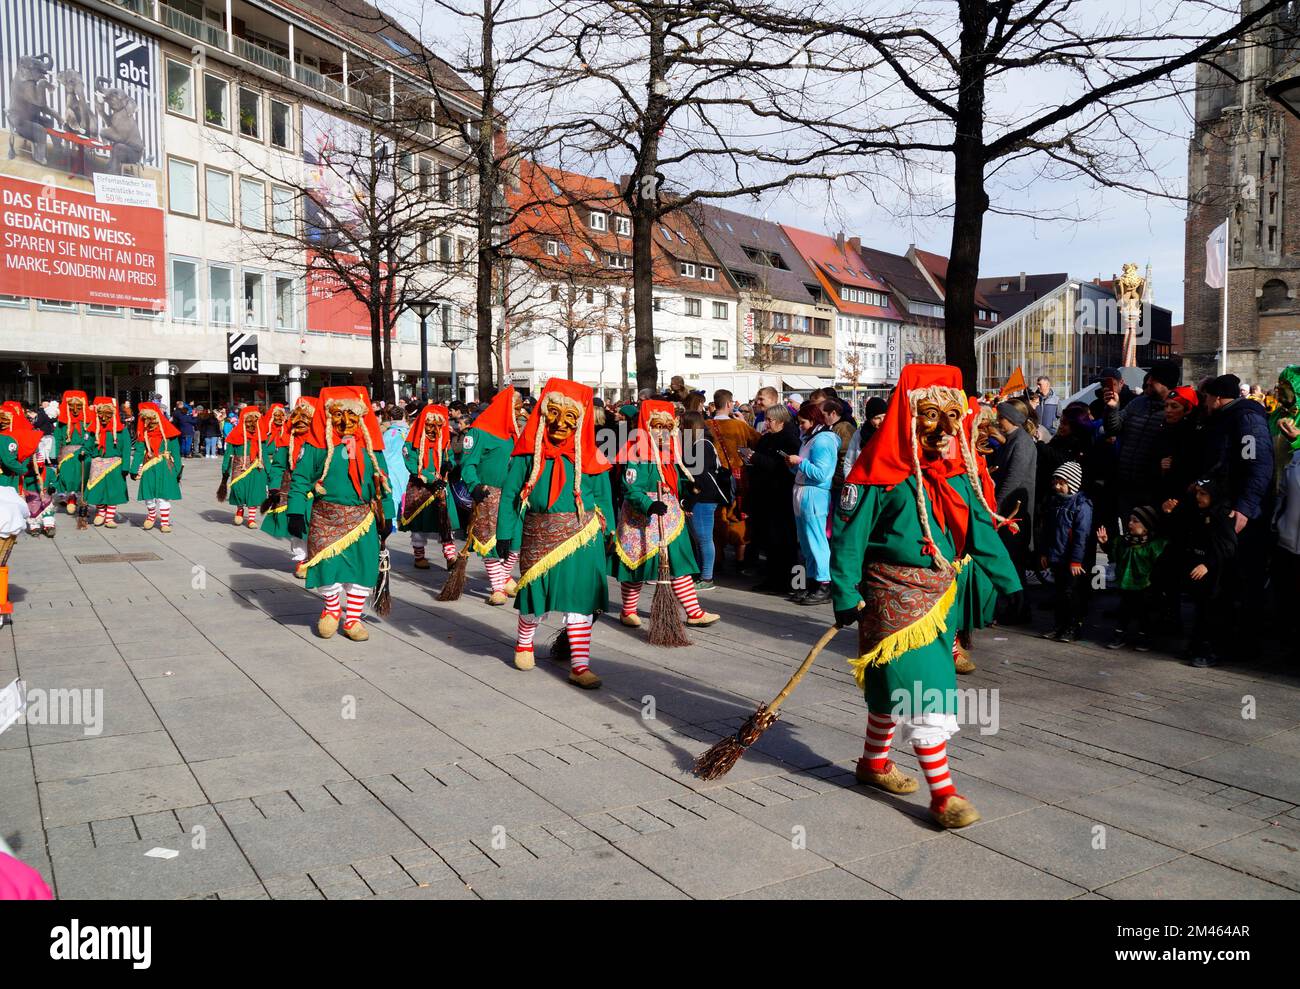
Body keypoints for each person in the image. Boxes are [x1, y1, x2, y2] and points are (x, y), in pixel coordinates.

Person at [831, 364, 1020, 829]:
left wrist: (1011, 585)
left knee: (887, 690)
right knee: (924, 691)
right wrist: (843, 591)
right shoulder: (874, 474)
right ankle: (944, 795)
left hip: (940, 599)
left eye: (952, 416)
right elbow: (849, 539)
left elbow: (980, 531)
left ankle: (873, 764)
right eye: (931, 415)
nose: (943, 428)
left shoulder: (956, 475)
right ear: (909, 415)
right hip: (889, 596)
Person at [496, 378, 614, 687]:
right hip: (539, 530)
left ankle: (579, 665)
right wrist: (505, 534)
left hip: (582, 535)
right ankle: (524, 644)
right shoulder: (526, 454)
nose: (561, 423)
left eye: (570, 416)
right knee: (535, 594)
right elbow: (510, 496)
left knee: (580, 598)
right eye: (555, 414)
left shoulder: (592, 455)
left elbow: (603, 497)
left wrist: (611, 534)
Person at [288, 387, 395, 642]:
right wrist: (294, 511)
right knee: (326, 566)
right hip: (326, 514)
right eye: (338, 414)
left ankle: (353, 619)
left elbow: (382, 481)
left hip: (363, 517)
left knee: (362, 567)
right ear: (328, 415)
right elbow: (300, 479)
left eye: (351, 414)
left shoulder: (371, 447)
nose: (346, 421)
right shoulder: (315, 446)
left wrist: (388, 515)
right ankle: (332, 608)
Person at [612, 401, 719, 629]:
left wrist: (689, 490)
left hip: (670, 516)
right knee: (637, 565)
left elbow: (674, 479)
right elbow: (630, 488)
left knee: (679, 562)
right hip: (641, 517)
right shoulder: (636, 452)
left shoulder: (671, 451)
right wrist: (648, 505)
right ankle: (628, 610)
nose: (662, 432)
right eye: (657, 426)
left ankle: (694, 611)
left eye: (667, 426)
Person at [1199, 373, 1274, 658]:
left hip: (1243, 516)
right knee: (1224, 579)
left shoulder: (1246, 419)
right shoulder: (1226, 418)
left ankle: (1235, 645)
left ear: (1218, 398)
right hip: (1227, 509)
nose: (1204, 402)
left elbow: (1260, 465)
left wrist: (1244, 507)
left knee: (1235, 580)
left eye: (1206, 397)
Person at [461, 387, 525, 604]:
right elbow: (468, 464)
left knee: (515, 542)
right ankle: (498, 587)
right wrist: (475, 486)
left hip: (514, 496)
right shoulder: (479, 431)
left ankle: (504, 576)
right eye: (516, 408)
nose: (519, 413)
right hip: (489, 494)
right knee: (489, 541)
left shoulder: (514, 433)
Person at [1169, 477, 1237, 668]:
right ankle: (1197, 645)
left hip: (1217, 576)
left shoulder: (1221, 515)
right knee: (1200, 610)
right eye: (1197, 492)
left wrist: (1208, 564)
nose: (1198, 497)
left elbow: (1228, 547)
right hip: (1199, 574)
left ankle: (1210, 650)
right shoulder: (1198, 512)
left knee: (1212, 612)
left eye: (1203, 493)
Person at [1102, 360, 1178, 525]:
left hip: (1151, 490)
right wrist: (1112, 408)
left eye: (1154, 379)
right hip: (1126, 485)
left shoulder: (1175, 411)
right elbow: (1113, 428)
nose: (1148, 382)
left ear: (1166, 383)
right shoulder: (1138, 403)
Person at [787, 401, 839, 606]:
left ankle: (824, 584)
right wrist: (794, 466)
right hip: (802, 490)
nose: (801, 426)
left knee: (816, 540)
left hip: (814, 494)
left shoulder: (823, 440)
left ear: (814, 420)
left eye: (803, 422)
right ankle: (812, 582)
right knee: (806, 541)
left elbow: (822, 474)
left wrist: (799, 462)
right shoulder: (810, 438)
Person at [989, 398, 1037, 622]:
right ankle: (1015, 607)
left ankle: (1018, 609)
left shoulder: (1022, 443)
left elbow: (1013, 480)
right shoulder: (1013, 440)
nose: (999, 422)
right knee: (1011, 561)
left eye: (1001, 418)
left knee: (1014, 563)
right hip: (1008, 511)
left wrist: (995, 507)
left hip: (1014, 513)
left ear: (1011, 420)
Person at [262, 397, 320, 576]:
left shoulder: (323, 440)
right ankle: (303, 559)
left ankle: (317, 558)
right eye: (298, 415)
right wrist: (273, 487)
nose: (301, 419)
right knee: (296, 525)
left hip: (316, 489)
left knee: (315, 525)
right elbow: (278, 466)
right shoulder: (287, 438)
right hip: (292, 488)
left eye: (306, 415)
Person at [747, 403, 800, 594]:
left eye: (769, 420)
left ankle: (791, 583)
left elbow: (784, 467)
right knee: (770, 540)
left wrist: (757, 459)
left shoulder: (789, 439)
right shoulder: (766, 439)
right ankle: (771, 579)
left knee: (785, 541)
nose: (766, 423)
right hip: (766, 494)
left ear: (779, 421)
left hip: (782, 495)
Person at [1096, 505, 1166, 651]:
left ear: (1147, 527)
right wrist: (1105, 543)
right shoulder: (1123, 541)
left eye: (1135, 521)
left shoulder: (1154, 545)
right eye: (1130, 520)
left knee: (1144, 612)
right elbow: (1113, 553)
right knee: (1124, 610)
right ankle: (1119, 635)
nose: (1130, 524)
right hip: (1126, 583)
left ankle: (1145, 637)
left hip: (1145, 584)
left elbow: (1160, 565)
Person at [707, 389, 761, 573]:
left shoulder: (706, 425)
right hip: (737, 476)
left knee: (717, 516)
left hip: (713, 477)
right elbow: (758, 442)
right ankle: (739, 560)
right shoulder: (739, 426)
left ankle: (718, 557)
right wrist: (745, 424)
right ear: (730, 404)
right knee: (738, 514)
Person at [399, 405, 460, 571]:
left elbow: (451, 458)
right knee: (419, 524)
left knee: (445, 521)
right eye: (430, 425)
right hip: (420, 486)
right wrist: (430, 477)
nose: (434, 430)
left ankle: (450, 556)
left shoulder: (444, 441)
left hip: (441, 487)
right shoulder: (412, 442)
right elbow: (411, 463)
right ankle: (419, 555)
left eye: (438, 426)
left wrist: (450, 465)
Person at [1038, 461, 1092, 642]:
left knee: (1070, 593)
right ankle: (1059, 625)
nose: (1057, 486)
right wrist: (1045, 552)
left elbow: (1080, 536)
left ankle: (1072, 626)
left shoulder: (1081, 505)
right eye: (1055, 482)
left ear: (1073, 484)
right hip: (1057, 556)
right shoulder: (1054, 502)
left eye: (1062, 483)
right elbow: (1047, 530)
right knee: (1059, 593)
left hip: (1071, 559)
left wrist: (1076, 560)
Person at [680, 410, 727, 590]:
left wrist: (689, 502)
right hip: (701, 497)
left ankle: (707, 577)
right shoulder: (699, 443)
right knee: (700, 538)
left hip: (704, 498)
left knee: (704, 538)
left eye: (683, 424)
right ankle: (702, 573)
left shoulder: (701, 445)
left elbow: (698, 478)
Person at [129, 402, 182, 533]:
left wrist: (177, 470)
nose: (148, 422)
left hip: (165, 467)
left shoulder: (170, 434)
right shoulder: (144, 434)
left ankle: (165, 522)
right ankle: (152, 515)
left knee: (164, 495)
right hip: (149, 467)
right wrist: (134, 469)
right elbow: (139, 452)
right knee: (148, 494)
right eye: (145, 420)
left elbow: (176, 452)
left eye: (151, 419)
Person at [219, 406, 269, 528]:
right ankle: (240, 509)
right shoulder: (235, 434)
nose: (252, 424)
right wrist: (225, 469)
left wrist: (269, 471)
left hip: (256, 467)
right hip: (239, 467)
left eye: (255, 420)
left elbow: (265, 454)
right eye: (249, 420)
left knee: (255, 492)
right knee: (239, 490)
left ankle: (251, 519)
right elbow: (228, 454)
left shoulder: (260, 436)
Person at [86, 397, 131, 528]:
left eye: (108, 415)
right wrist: (83, 452)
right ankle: (100, 513)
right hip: (97, 463)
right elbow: (87, 445)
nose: (104, 418)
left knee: (113, 491)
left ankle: (109, 517)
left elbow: (127, 449)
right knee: (97, 489)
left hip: (115, 465)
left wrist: (126, 467)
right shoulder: (93, 430)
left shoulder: (122, 430)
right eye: (101, 414)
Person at [48, 391, 91, 518]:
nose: (76, 410)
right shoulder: (63, 422)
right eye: (73, 407)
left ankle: (84, 503)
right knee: (68, 478)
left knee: (83, 478)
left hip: (84, 454)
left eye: (79, 407)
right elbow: (57, 438)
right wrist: (54, 455)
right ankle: (71, 498)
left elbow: (93, 438)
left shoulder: (88, 421)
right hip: (67, 455)